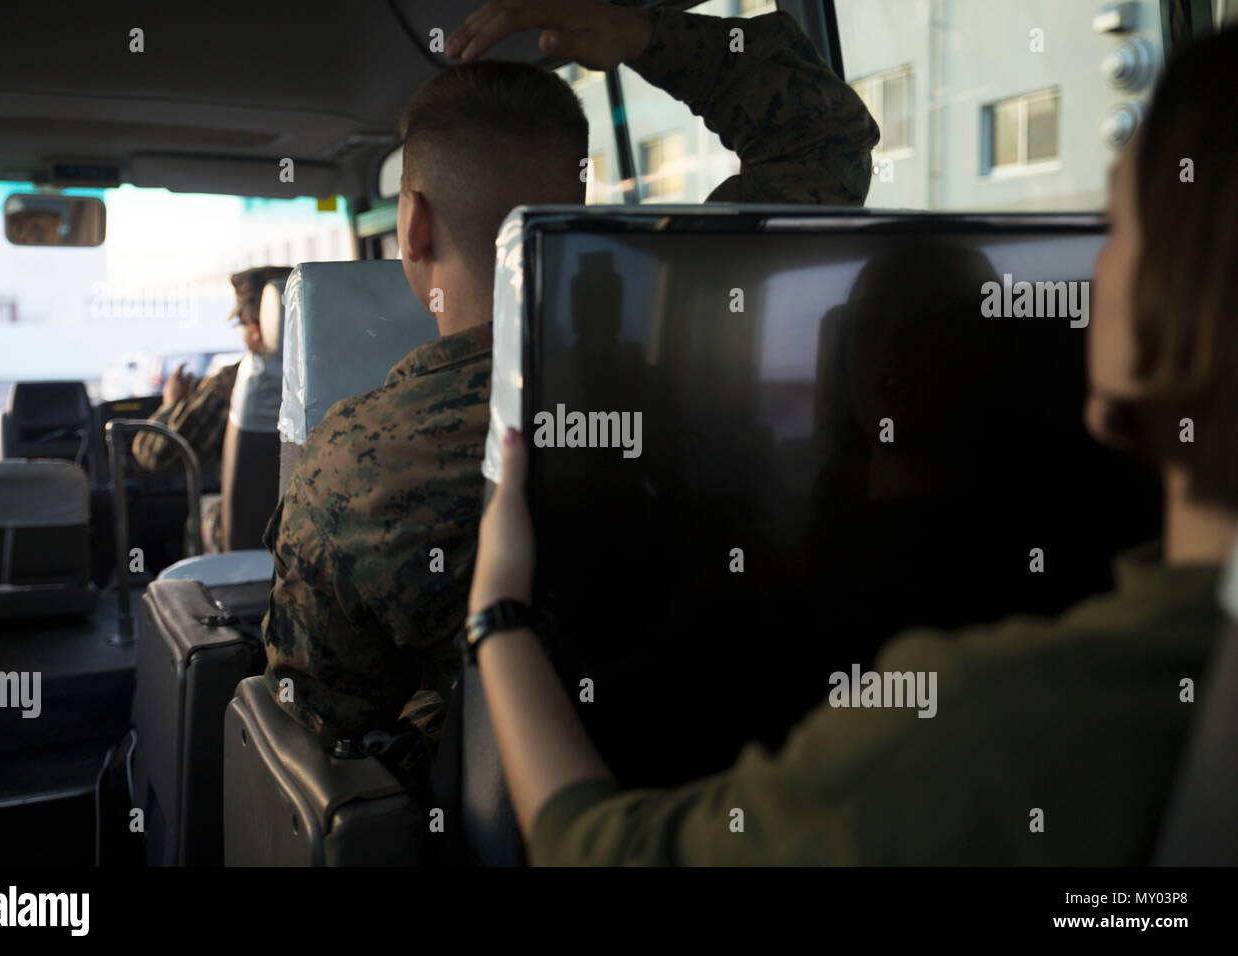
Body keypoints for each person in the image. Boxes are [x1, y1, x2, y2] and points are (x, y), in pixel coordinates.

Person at [466, 26, 1238, 864]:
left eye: (1116, 227)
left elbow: (605, 853)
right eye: (877, 330)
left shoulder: (984, 710)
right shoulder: (773, 549)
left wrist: (497, 609)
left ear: (1178, 303)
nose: (901, 355)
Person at [261, 0, 879, 753]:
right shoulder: (707, 359)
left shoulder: (347, 467)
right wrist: (646, 35)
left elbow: (325, 720)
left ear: (414, 226)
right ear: (573, 208)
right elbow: (822, 136)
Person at [132, 265, 291, 551]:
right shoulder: (354, 372)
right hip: (327, 536)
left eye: (240, 324)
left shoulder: (233, 384)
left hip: (255, 541)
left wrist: (174, 405)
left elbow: (153, 452)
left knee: (204, 512)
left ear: (256, 326)